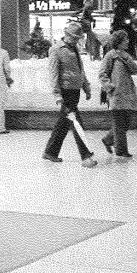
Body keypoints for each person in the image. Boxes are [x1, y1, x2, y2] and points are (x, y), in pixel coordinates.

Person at [43, 22, 98, 167]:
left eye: (77, 38)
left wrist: (86, 87)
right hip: (65, 92)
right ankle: (86, 156)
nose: (75, 40)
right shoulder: (56, 49)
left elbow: (80, 70)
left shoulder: (75, 49)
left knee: (63, 123)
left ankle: (50, 152)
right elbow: (53, 74)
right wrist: (57, 96)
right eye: (73, 37)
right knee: (76, 122)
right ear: (66, 34)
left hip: (75, 91)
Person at [99, 29, 137, 158]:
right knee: (119, 123)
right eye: (125, 40)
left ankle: (108, 139)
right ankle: (121, 150)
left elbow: (135, 70)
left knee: (126, 122)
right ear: (119, 42)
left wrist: (127, 60)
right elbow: (102, 73)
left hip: (128, 93)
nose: (128, 41)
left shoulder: (126, 55)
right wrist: (108, 86)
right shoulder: (110, 56)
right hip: (116, 93)